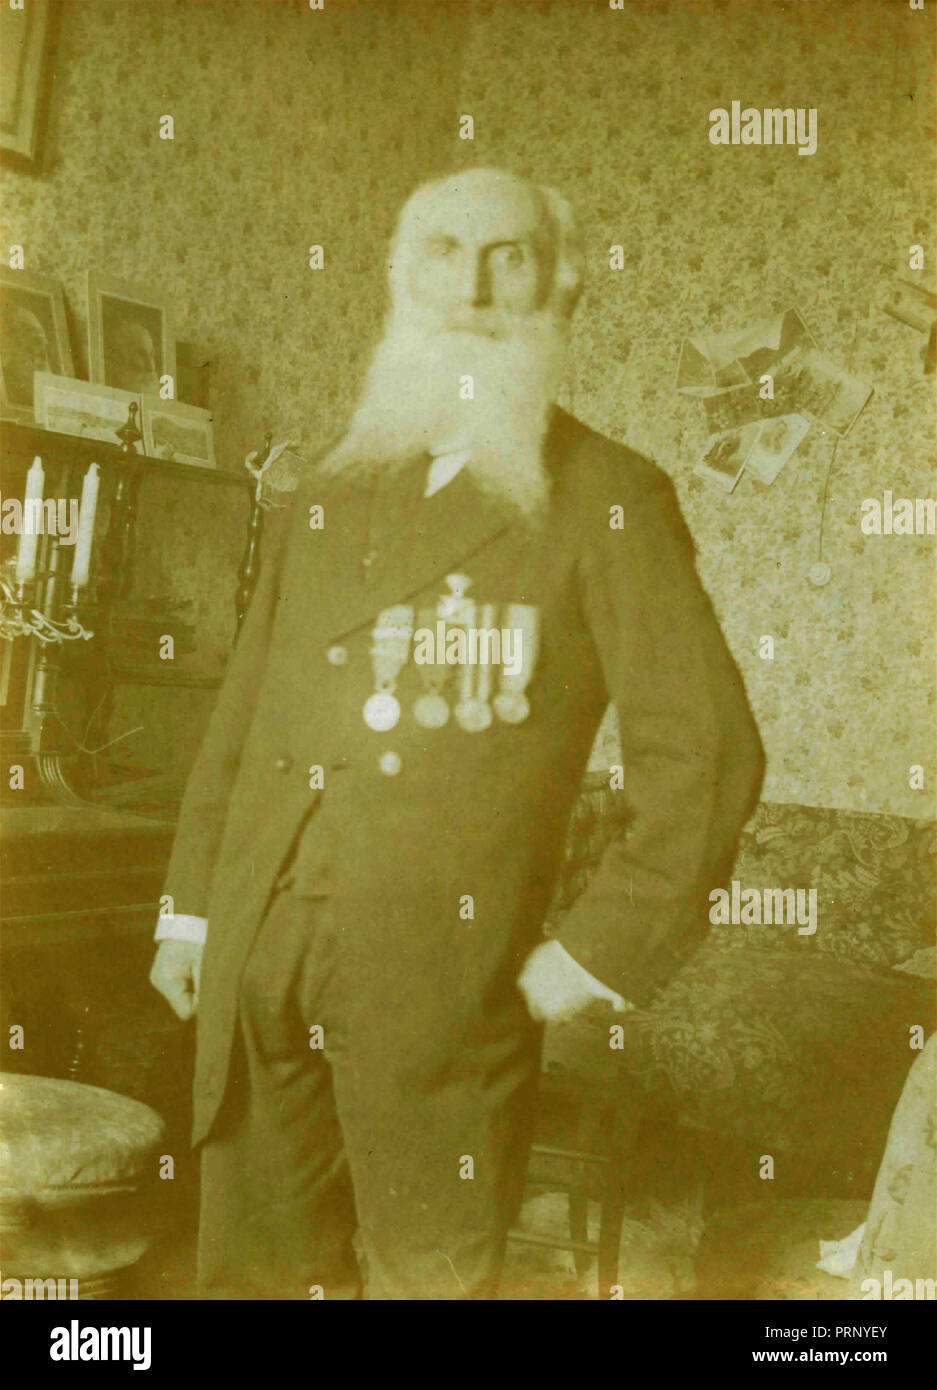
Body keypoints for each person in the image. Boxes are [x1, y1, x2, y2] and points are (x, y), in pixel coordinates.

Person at [150, 167, 765, 1300]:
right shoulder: (324, 489)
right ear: (401, 277)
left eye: (508, 255)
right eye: (441, 251)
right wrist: (190, 910)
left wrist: (594, 955)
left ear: (560, 288)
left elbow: (710, 752)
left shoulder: (610, 495)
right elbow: (243, 717)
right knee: (251, 1281)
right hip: (258, 943)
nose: (471, 284)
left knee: (426, 1285)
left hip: (442, 977)